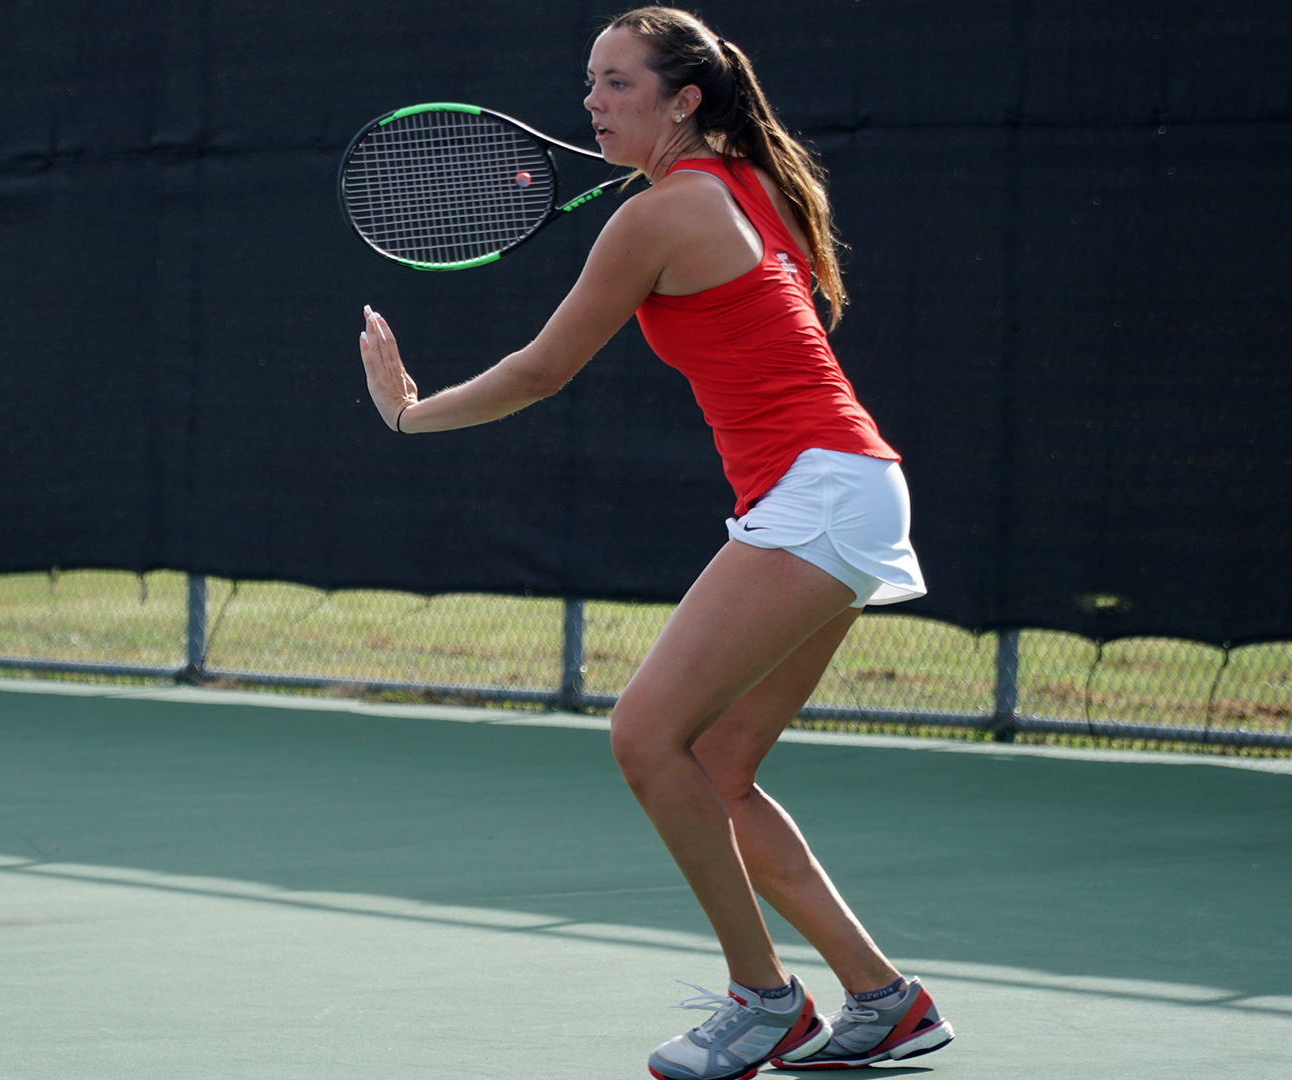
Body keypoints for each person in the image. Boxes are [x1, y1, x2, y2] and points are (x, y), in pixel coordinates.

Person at [356, 7, 954, 1078]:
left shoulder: (660, 214)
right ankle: (885, 1000)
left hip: (819, 494)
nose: (591, 101)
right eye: (590, 82)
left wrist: (410, 413)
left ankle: (762, 999)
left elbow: (542, 370)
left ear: (684, 100)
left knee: (644, 738)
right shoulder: (746, 182)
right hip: (850, 490)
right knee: (717, 765)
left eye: (618, 84)